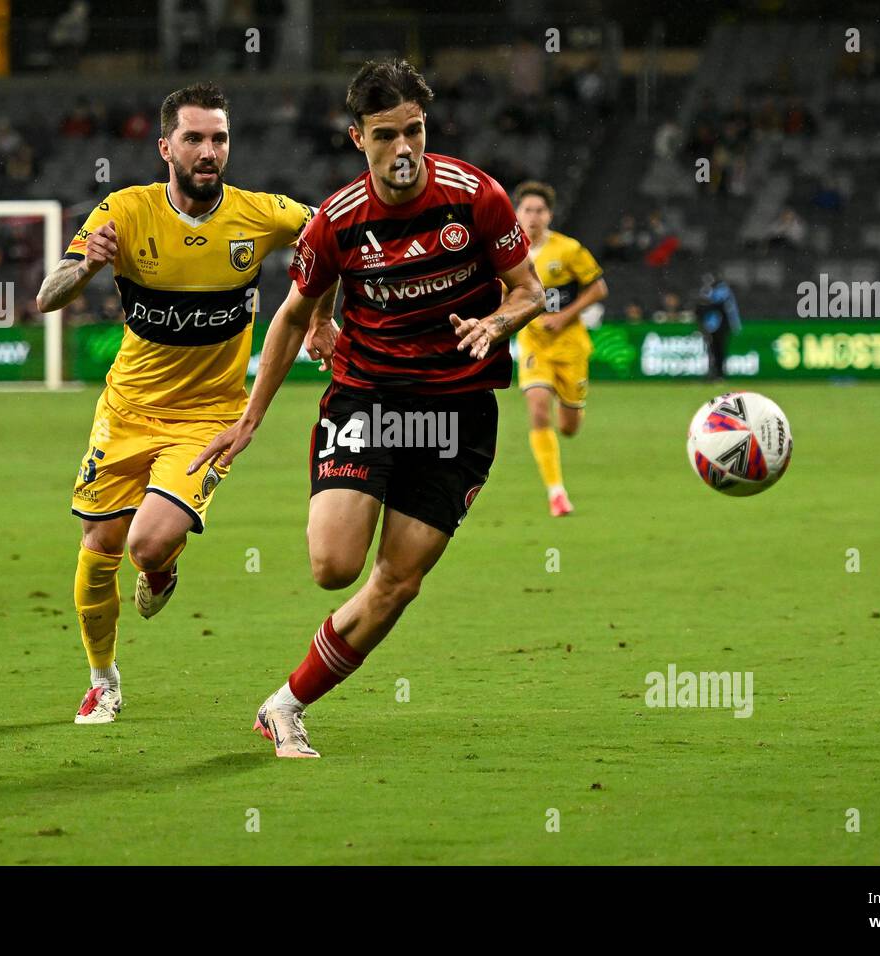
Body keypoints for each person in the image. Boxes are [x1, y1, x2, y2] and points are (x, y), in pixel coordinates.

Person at [189, 59, 546, 757]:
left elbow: (530, 290)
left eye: (414, 130)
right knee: (333, 566)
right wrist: (252, 415)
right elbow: (292, 315)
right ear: (359, 138)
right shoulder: (338, 221)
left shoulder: (477, 198)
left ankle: (286, 705)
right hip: (370, 398)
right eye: (386, 136)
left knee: (399, 581)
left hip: (458, 412)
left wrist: (499, 324)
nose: (404, 148)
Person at [34, 83, 336, 725]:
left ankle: (163, 571)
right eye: (194, 138)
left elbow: (330, 238)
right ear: (165, 145)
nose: (208, 150)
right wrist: (87, 266)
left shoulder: (262, 214)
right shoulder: (125, 209)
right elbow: (46, 296)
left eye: (219, 138)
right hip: (126, 410)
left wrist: (320, 320)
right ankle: (103, 679)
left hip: (206, 420)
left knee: (146, 545)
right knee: (99, 542)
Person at [510, 180, 608, 517]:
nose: (533, 216)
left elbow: (598, 288)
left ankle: (571, 412)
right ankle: (556, 493)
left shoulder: (568, 250)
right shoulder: (508, 254)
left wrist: (564, 316)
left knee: (568, 426)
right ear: (517, 214)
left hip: (570, 346)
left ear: (549, 215)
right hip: (534, 344)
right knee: (537, 408)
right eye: (527, 210)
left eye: (539, 210)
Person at [696, 273, 741, 382]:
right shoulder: (709, 290)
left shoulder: (723, 290)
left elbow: (716, 304)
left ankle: (719, 374)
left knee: (718, 350)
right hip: (711, 326)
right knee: (712, 350)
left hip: (721, 326)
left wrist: (704, 303)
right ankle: (714, 373)